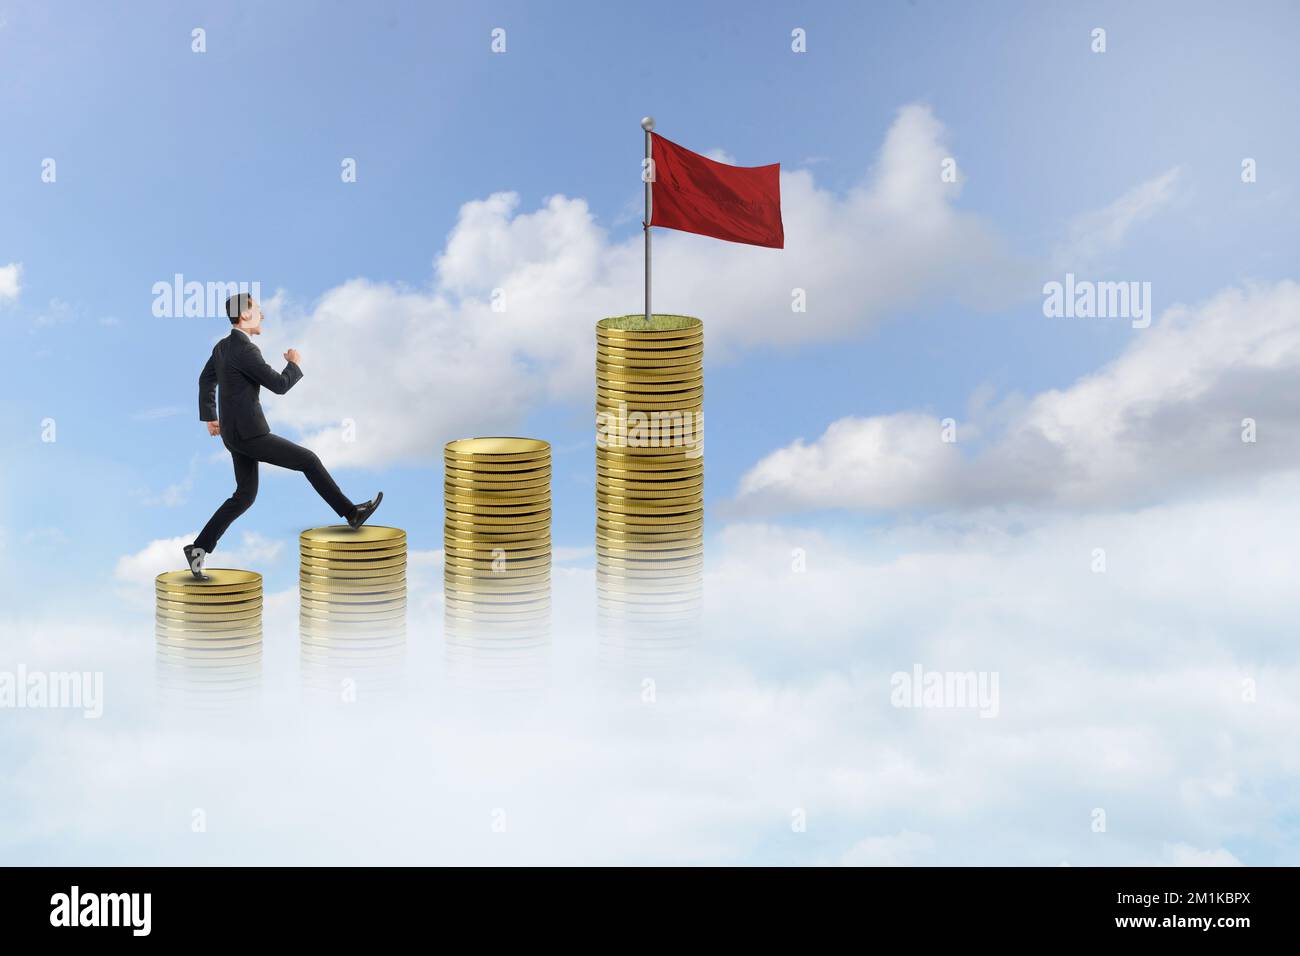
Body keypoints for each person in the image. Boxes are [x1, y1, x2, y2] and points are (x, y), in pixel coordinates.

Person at [183, 294, 381, 580]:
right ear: (244, 316)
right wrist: (294, 363)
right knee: (308, 460)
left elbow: (206, 379)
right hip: (251, 435)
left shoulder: (222, 347)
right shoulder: (245, 351)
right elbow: (279, 385)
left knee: (244, 496)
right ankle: (351, 513)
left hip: (233, 435)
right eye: (258, 310)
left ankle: (198, 548)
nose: (262, 315)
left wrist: (210, 416)